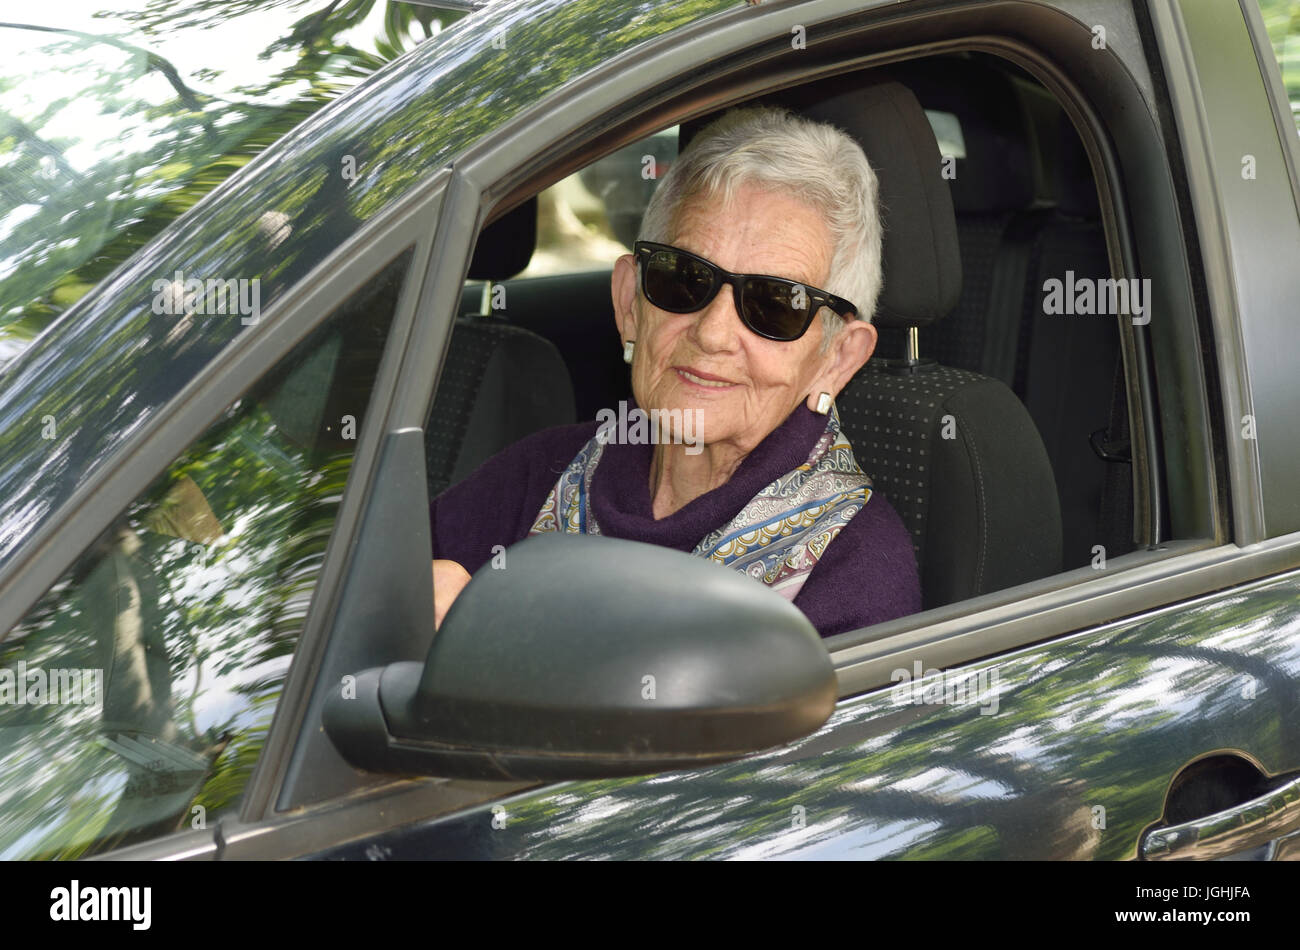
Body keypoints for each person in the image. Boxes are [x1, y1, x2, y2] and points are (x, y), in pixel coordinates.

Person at [429, 105, 921, 636]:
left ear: (836, 358)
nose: (711, 333)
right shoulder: (538, 473)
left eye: (776, 304)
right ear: (628, 304)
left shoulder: (856, 570)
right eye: (683, 279)